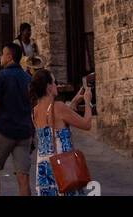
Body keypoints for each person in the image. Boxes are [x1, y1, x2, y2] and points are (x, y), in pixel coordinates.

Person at [0, 43, 33, 197]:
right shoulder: (27, 78)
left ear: (9, 57)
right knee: (23, 177)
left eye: (2, 54)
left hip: (4, 131)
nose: (0, 57)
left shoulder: (1, 76)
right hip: (24, 133)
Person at [31, 68, 94, 196]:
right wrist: (88, 102)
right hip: (63, 166)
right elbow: (86, 124)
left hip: (44, 168)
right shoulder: (58, 107)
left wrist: (74, 101)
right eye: (55, 82)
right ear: (48, 87)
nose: (57, 85)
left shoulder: (34, 111)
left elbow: (54, 122)